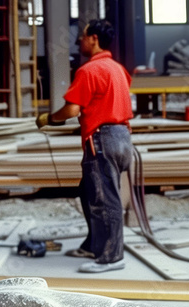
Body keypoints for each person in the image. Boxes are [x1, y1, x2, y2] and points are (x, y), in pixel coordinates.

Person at [37, 20, 133, 273]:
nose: (79, 41)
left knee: (105, 199)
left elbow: (72, 109)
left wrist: (50, 118)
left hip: (102, 140)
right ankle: (93, 244)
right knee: (88, 190)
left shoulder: (89, 70)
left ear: (93, 39)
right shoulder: (119, 70)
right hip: (122, 138)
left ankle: (112, 257)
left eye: (82, 37)